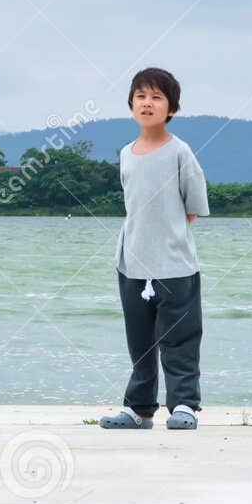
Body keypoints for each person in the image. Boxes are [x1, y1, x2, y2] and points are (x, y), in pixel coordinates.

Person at [99, 66, 209, 431]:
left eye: (156, 97)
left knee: (179, 339)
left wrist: (167, 238)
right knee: (140, 341)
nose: (147, 103)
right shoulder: (127, 153)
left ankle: (184, 406)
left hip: (174, 265)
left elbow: (193, 207)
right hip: (131, 263)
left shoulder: (180, 151)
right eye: (140, 97)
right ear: (131, 105)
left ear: (171, 108)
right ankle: (139, 408)